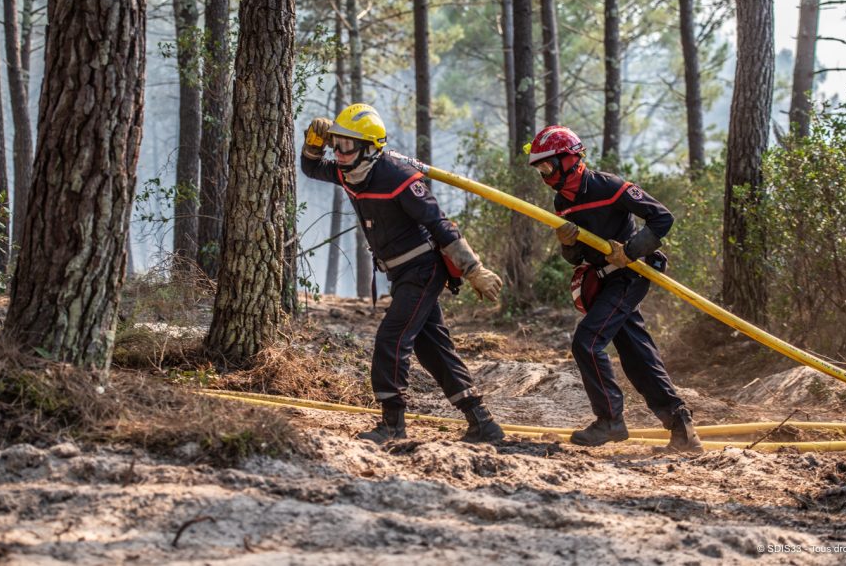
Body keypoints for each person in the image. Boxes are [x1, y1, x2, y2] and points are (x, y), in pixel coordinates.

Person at [301, 103, 506, 444]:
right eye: (335, 143)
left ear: (369, 147)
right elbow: (311, 168)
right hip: (401, 274)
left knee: (391, 339)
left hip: (423, 270)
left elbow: (439, 224)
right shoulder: (349, 171)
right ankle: (482, 422)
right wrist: (313, 143)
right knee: (432, 348)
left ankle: (393, 426)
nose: (338, 152)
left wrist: (474, 269)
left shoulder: (398, 177)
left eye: (346, 144)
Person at [525, 125, 703, 453]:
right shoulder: (560, 201)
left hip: (629, 275)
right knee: (636, 355)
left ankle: (610, 421)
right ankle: (682, 428)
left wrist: (631, 250)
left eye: (547, 166)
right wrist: (567, 246)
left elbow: (663, 218)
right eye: (539, 168)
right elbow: (577, 255)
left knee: (587, 342)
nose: (543, 174)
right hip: (603, 280)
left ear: (569, 160)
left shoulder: (610, 186)